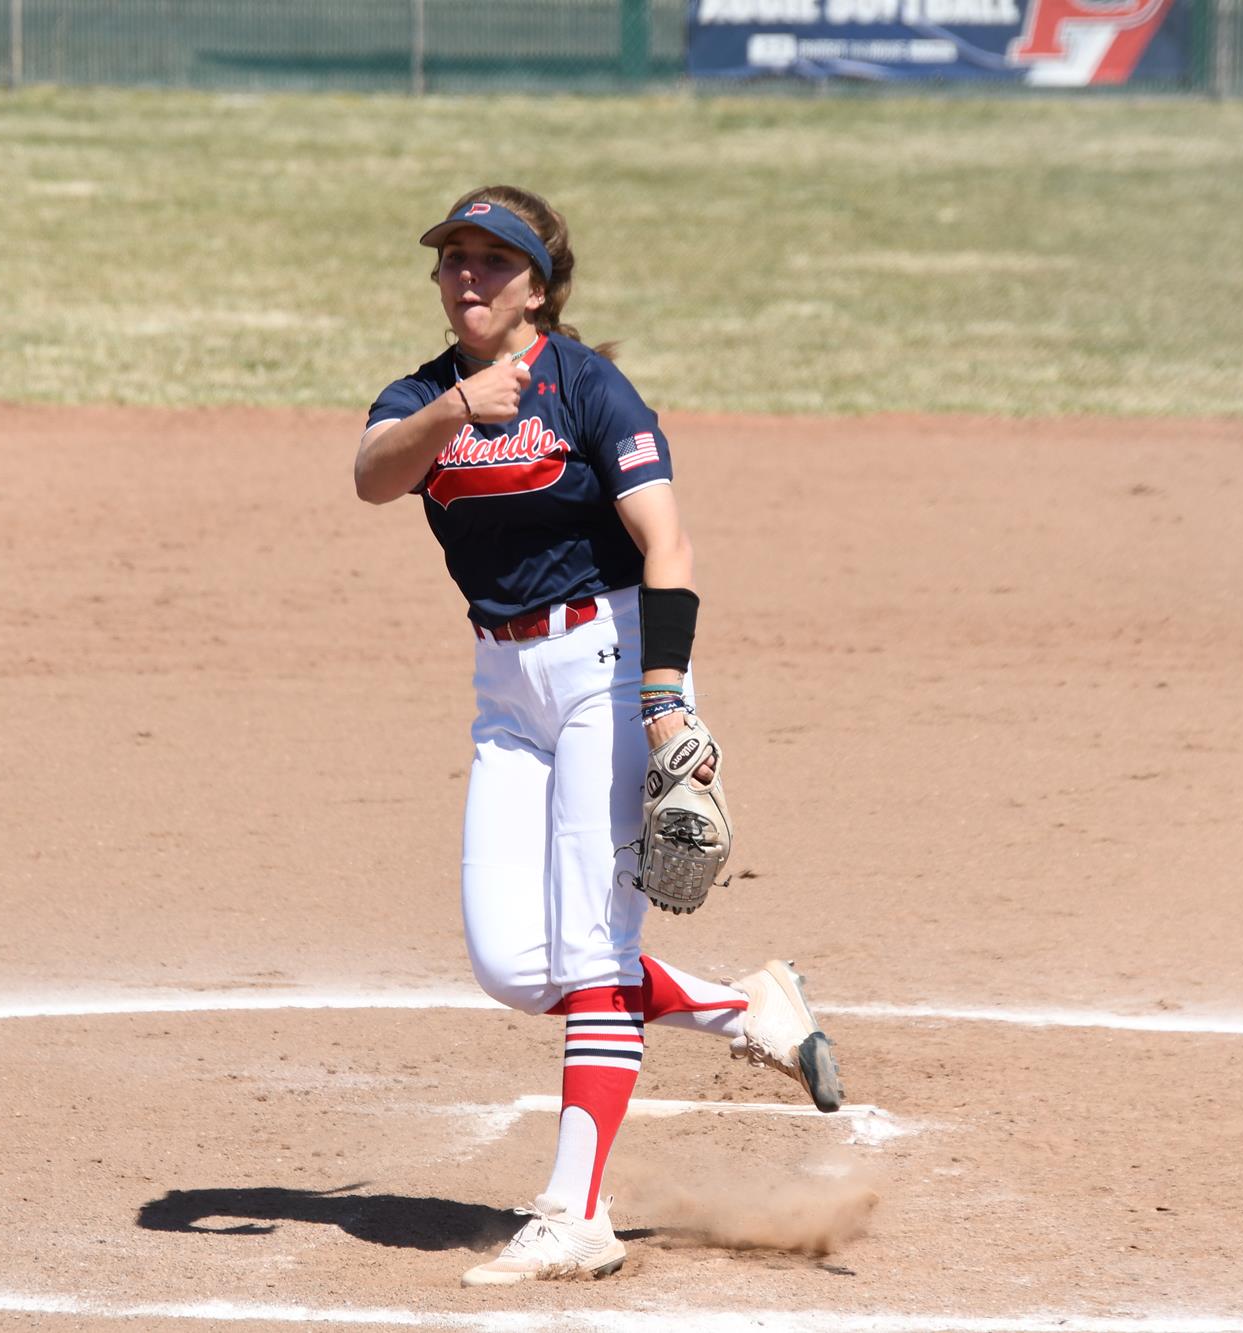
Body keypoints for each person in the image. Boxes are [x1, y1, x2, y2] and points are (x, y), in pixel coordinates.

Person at [354, 185, 844, 1286]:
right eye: (452, 260)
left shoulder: (587, 387)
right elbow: (372, 476)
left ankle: (576, 1211)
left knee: (589, 949)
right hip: (503, 686)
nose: (467, 277)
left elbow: (664, 540)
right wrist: (452, 413)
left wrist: (664, 694)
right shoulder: (422, 394)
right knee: (512, 962)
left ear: (539, 285)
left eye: (492, 261)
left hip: (607, 664)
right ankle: (742, 1005)